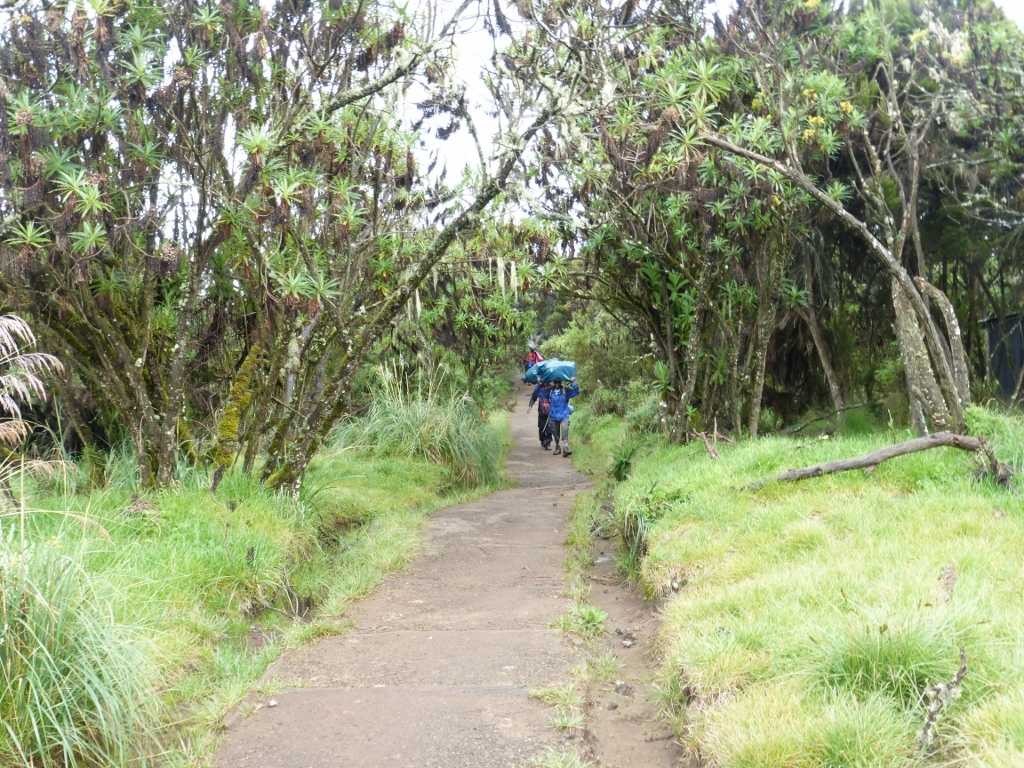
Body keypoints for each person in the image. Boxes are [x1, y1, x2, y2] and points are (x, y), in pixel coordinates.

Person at [538, 378, 579, 457]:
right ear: (554, 382)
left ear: (560, 382)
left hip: (564, 414)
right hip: (553, 415)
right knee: (555, 432)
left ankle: (566, 447)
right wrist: (539, 384)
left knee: (565, 428)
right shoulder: (549, 391)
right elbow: (539, 393)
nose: (557, 383)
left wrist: (573, 382)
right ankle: (557, 447)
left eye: (558, 382)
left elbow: (576, 391)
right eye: (555, 382)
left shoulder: (565, 391)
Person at [527, 382, 553, 449]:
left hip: (550, 412)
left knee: (550, 428)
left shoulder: (551, 387)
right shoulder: (538, 387)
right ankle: (542, 440)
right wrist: (530, 406)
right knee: (542, 428)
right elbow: (534, 397)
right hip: (542, 411)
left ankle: (547, 443)